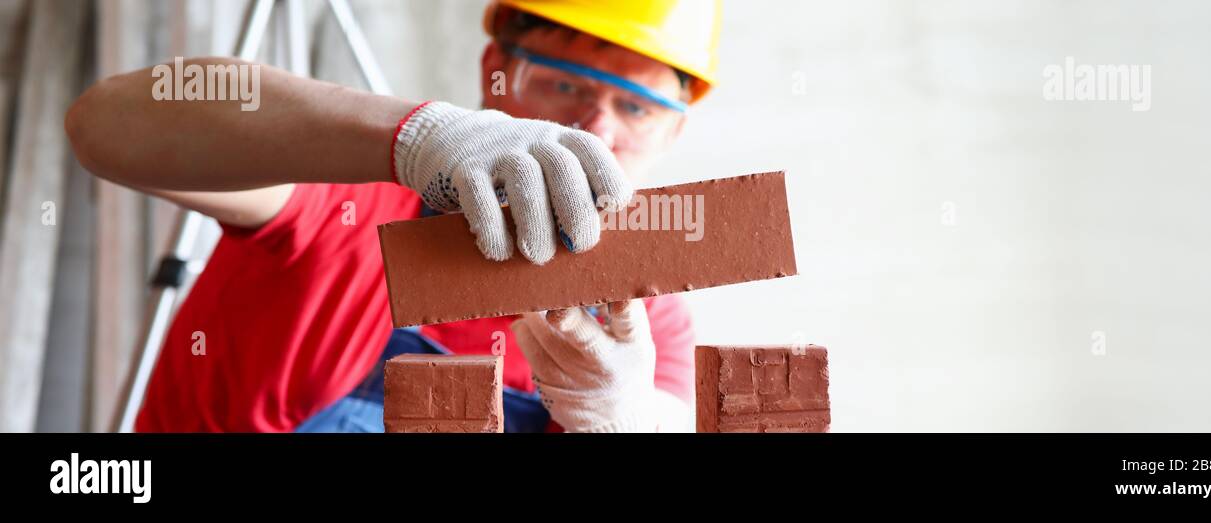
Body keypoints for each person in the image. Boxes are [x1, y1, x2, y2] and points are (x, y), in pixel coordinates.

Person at [64, 0, 721, 433]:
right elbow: (103, 126)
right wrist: (414, 136)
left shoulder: (643, 315)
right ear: (495, 70)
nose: (594, 127)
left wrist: (619, 418)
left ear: (674, 132)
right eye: (564, 84)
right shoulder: (352, 207)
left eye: (636, 106)